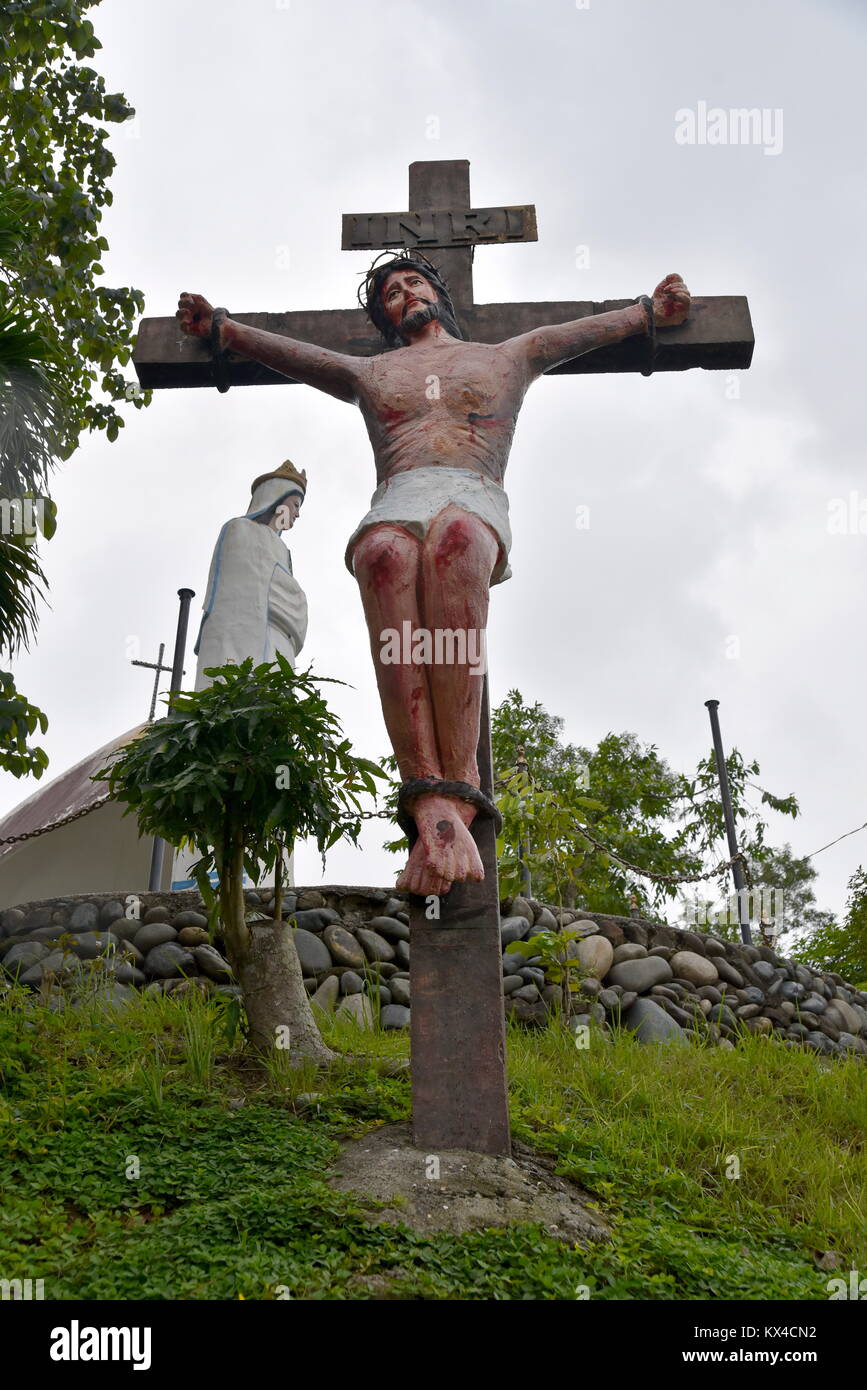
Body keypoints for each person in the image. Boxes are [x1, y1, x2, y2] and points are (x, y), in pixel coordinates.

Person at [177, 257, 689, 895]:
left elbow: (578, 333)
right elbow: (303, 357)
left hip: (469, 491)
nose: (404, 295)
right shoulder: (373, 372)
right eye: (390, 293)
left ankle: (461, 785)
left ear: (438, 294)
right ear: (385, 314)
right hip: (398, 493)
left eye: (413, 284)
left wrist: (646, 314)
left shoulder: (505, 356)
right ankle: (426, 792)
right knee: (382, 558)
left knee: (454, 545)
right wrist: (225, 330)